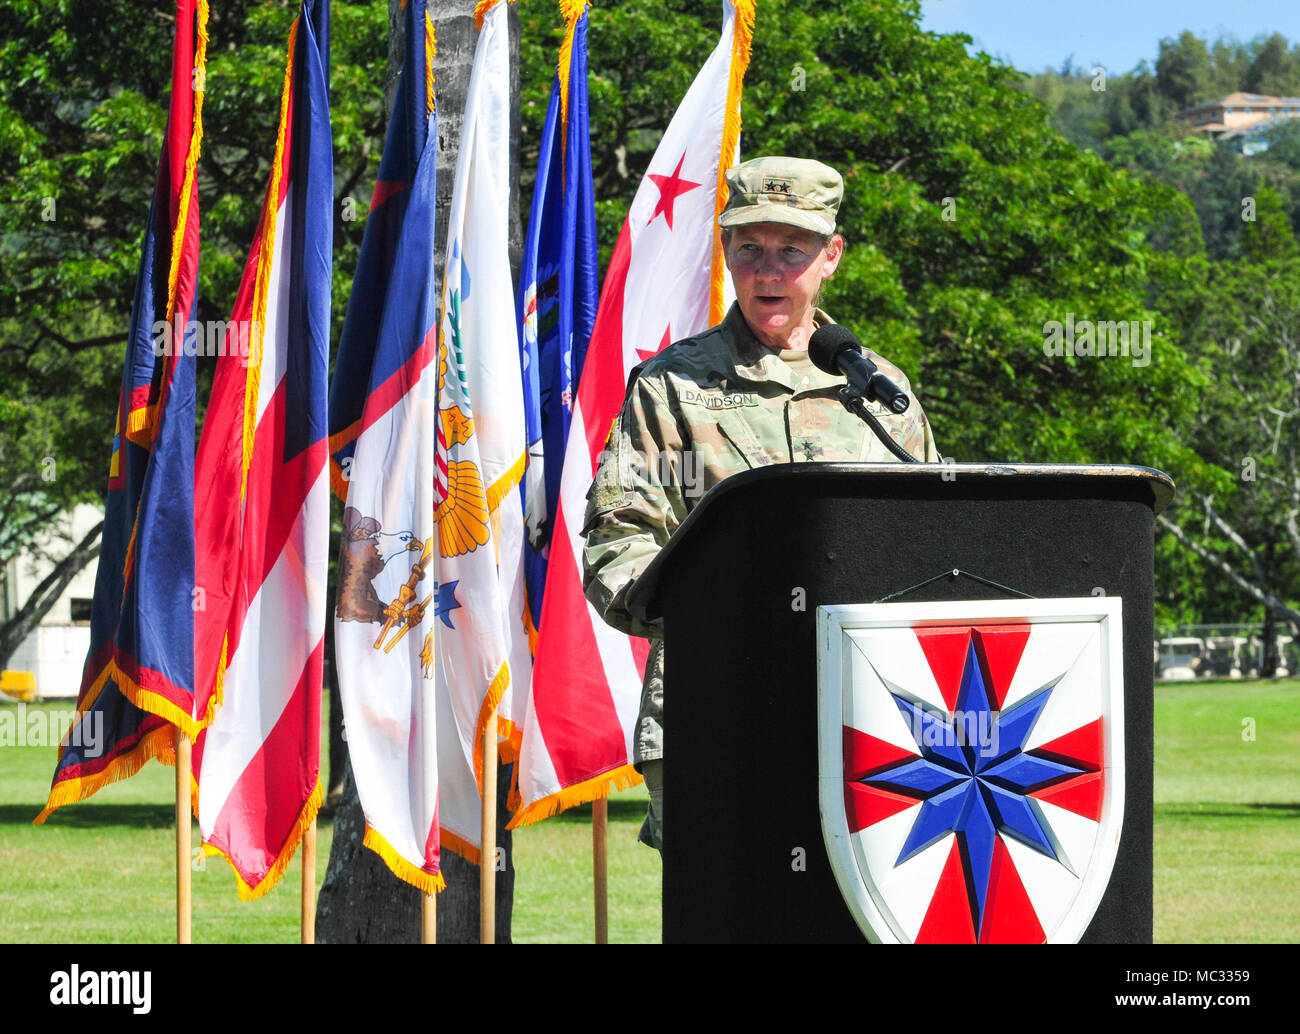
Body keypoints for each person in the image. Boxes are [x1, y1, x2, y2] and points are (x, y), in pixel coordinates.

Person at [580, 155, 939, 852]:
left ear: (831, 255)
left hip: (876, 713)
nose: (767, 271)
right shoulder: (672, 386)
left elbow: (935, 542)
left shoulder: (881, 393)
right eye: (748, 248)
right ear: (726, 253)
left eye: (790, 249)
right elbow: (617, 540)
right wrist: (705, 610)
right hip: (717, 708)